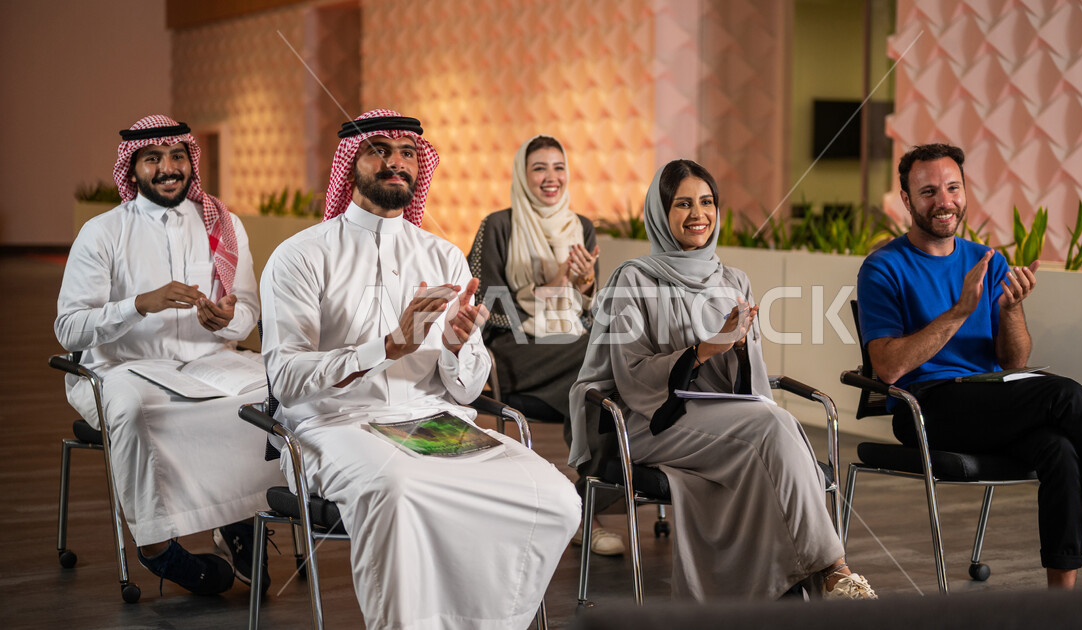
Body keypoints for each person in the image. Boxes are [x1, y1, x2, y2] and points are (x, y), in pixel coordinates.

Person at [259, 109, 579, 629]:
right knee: (399, 489)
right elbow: (288, 380)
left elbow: (468, 387)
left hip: (430, 420)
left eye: (408, 152)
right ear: (349, 164)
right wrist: (383, 349)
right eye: (379, 150)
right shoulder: (300, 257)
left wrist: (457, 347)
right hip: (335, 424)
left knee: (558, 498)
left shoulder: (444, 256)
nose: (396, 162)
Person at [856, 142, 1082, 588]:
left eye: (952, 188)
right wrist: (960, 311)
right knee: (1065, 394)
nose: (944, 201)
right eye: (928, 192)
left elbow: (1013, 362)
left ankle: (1060, 605)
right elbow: (887, 370)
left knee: (1060, 447)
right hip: (926, 408)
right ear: (906, 199)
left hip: (990, 399)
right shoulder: (883, 268)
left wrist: (1011, 308)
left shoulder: (987, 259)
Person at [569, 159, 876, 601]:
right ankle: (833, 570)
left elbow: (744, 386)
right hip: (648, 422)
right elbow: (632, 377)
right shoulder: (631, 280)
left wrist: (736, 349)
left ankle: (785, 590)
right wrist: (703, 349)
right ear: (660, 212)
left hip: (719, 417)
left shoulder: (734, 280)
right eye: (683, 204)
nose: (699, 214)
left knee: (774, 429)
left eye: (707, 202)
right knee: (773, 428)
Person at [54, 114, 282, 595]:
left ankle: (242, 515)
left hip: (210, 362)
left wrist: (229, 319)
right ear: (132, 168)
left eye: (177, 156)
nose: (167, 168)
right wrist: (139, 304)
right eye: (152, 159)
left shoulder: (224, 222)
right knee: (135, 409)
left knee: (277, 391)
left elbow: (247, 310)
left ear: (190, 162)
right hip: (126, 367)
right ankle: (158, 549)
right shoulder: (104, 232)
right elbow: (69, 326)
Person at [467, 135, 622, 556]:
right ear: (522, 173)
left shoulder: (582, 227)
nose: (550, 177)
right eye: (539, 168)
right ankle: (591, 505)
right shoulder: (498, 225)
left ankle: (582, 504)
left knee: (595, 363)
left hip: (568, 347)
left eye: (558, 167)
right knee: (600, 358)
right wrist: (553, 285)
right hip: (512, 350)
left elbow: (589, 313)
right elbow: (483, 306)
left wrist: (584, 284)